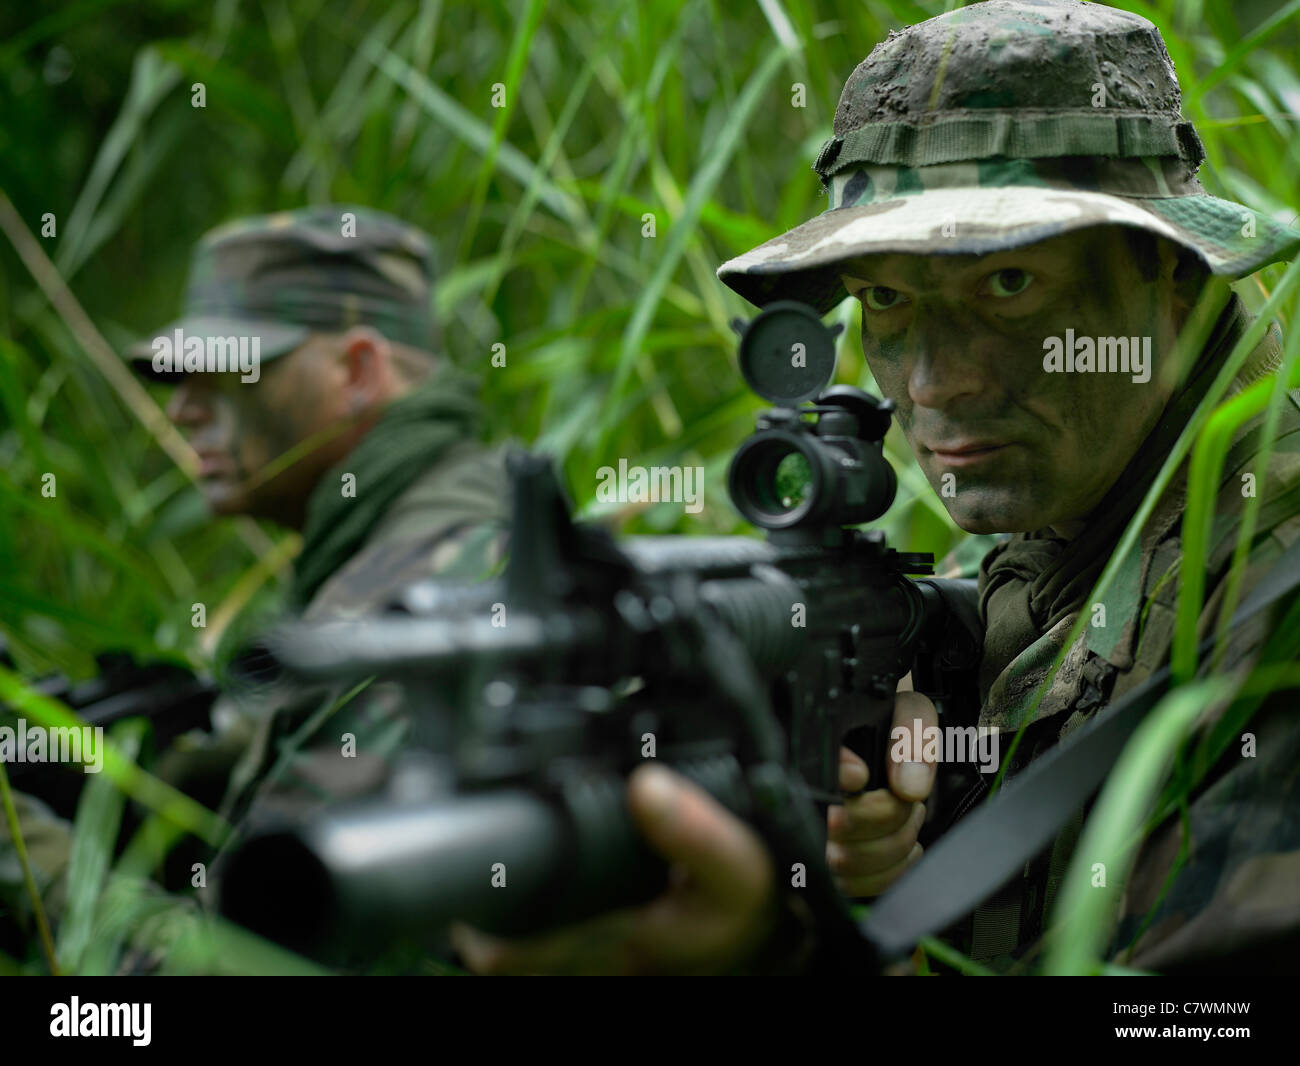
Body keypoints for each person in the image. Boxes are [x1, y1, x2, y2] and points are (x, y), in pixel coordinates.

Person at [450, 0, 1300, 975]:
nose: (936, 383)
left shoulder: (1271, 587)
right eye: (886, 299)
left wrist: (785, 951)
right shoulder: (1064, 529)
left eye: (1011, 286)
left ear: (1175, 282)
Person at [1, 206, 508, 965]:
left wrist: (20, 852)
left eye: (228, 369)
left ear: (360, 372)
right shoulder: (454, 525)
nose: (183, 408)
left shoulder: (403, 612)